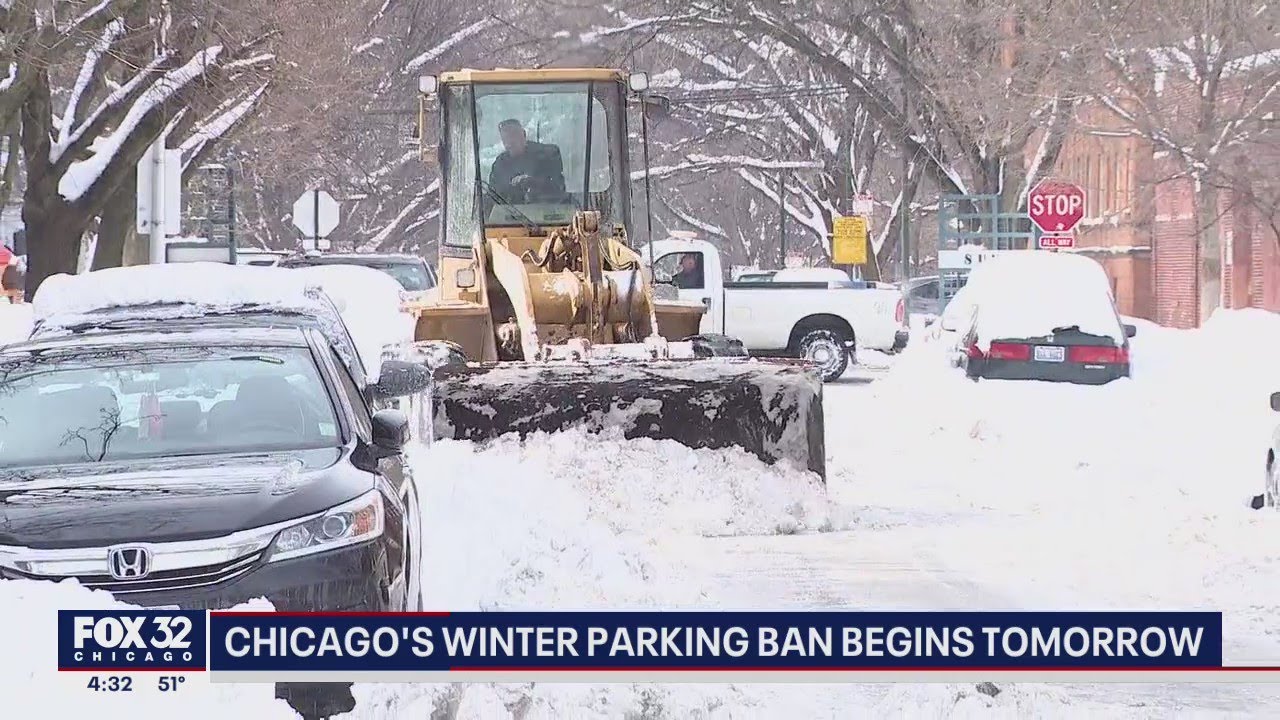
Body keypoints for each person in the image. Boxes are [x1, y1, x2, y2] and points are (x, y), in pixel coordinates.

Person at [487, 119, 566, 206]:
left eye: (513, 136)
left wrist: (532, 182)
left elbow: (558, 188)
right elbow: (493, 195)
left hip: (545, 213)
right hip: (511, 215)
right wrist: (512, 186)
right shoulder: (500, 164)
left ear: (524, 134)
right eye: (505, 139)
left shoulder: (548, 155)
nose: (509, 142)